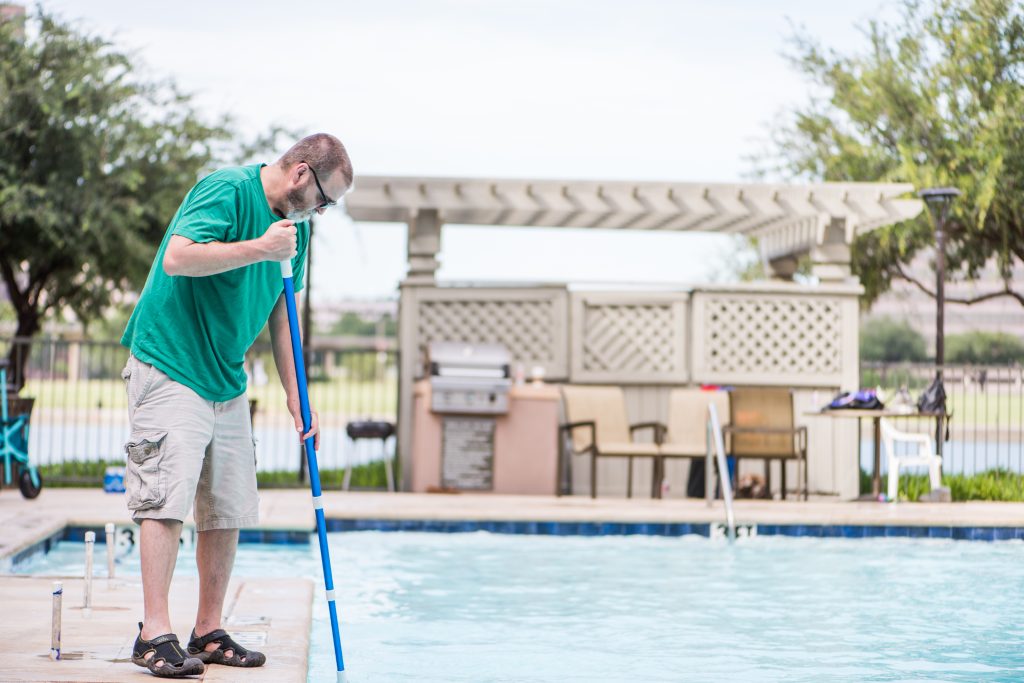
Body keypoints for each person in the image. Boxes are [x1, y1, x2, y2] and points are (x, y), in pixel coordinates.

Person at [119, 133, 353, 676]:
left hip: (225, 378)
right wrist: (260, 248)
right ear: (300, 173)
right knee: (165, 498)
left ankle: (208, 630)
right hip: (171, 362)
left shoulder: (298, 232)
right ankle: (154, 634)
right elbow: (178, 258)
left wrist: (298, 396)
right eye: (324, 198)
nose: (322, 210)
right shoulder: (225, 190)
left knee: (226, 506)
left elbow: (282, 316)